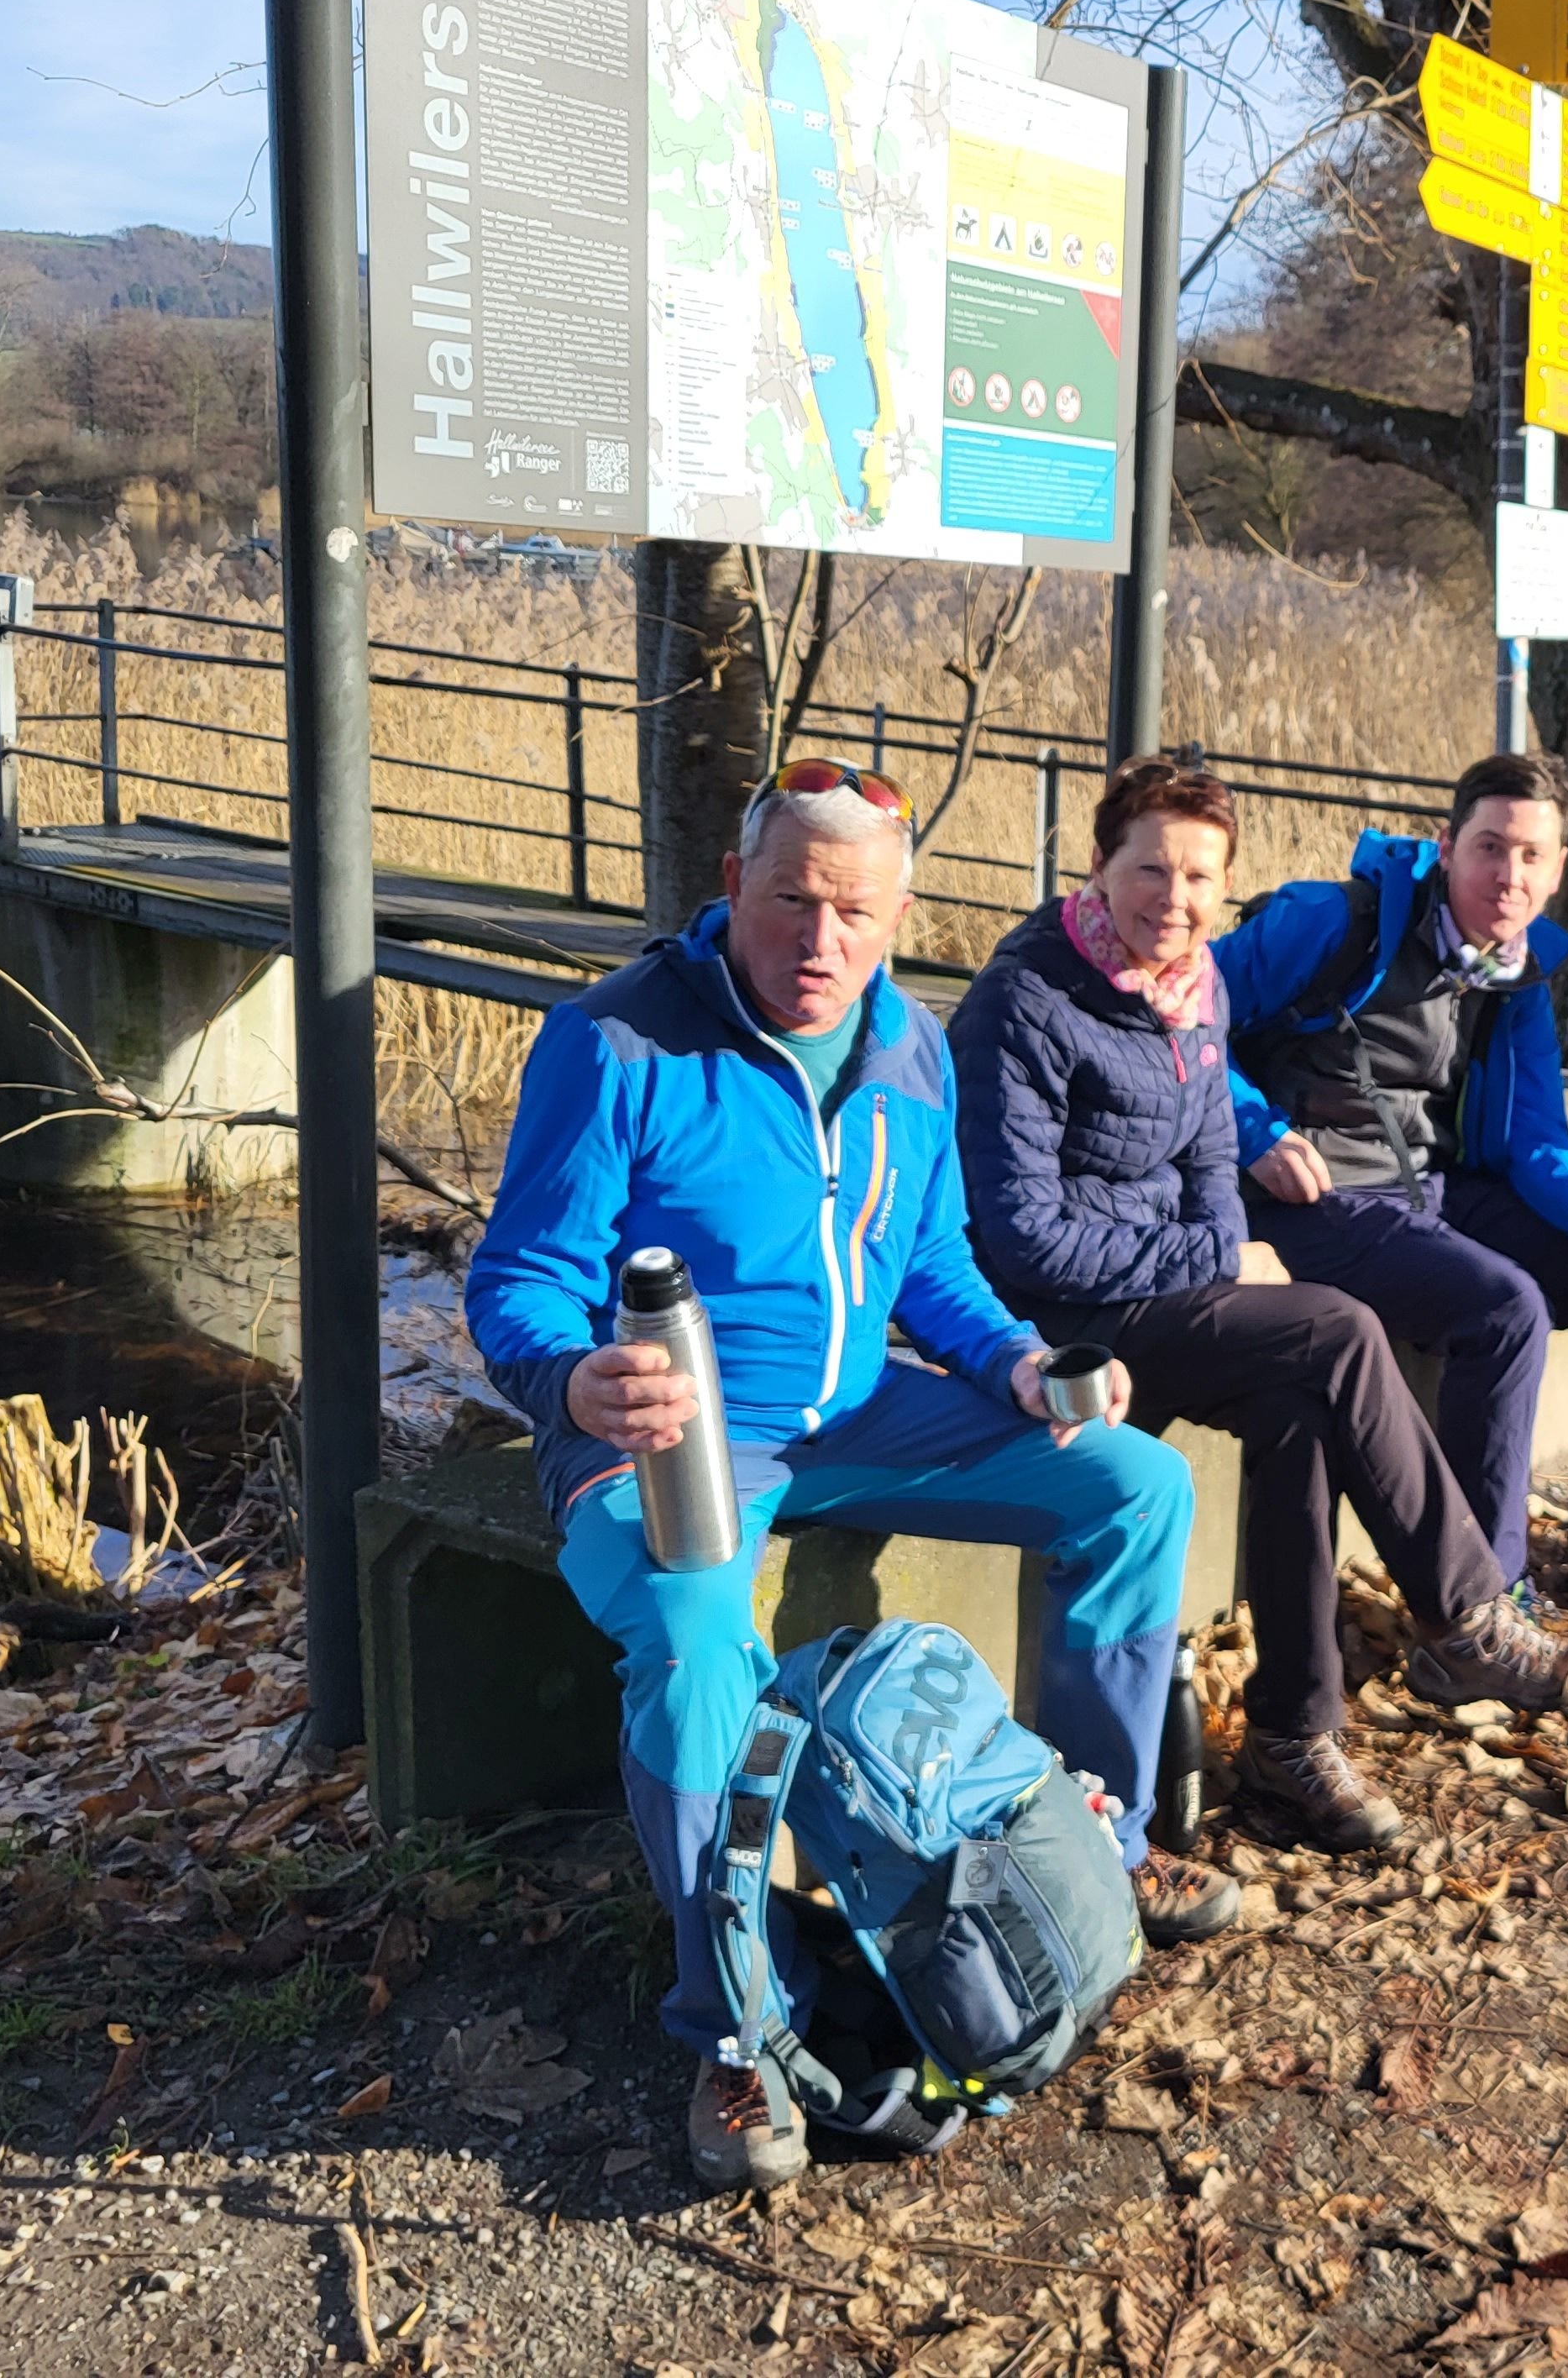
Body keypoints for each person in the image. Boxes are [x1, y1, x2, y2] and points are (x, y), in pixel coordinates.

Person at [464, 759, 1238, 2196]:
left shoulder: (910, 1049)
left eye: (857, 914)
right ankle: (738, 2026)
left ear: (896, 918)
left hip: (866, 1407)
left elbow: (930, 1258)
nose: (820, 944)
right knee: (701, 1656)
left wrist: (1014, 1362)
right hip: (672, 1435)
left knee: (1137, 1488)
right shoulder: (615, 1044)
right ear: (735, 889)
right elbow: (521, 1276)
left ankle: (1095, 1845)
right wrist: (574, 1381)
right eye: (791, 903)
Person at [948, 756, 1568, 1861]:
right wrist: (1219, 1252)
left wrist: (1216, 1242)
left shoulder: (1193, 987)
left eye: (1201, 876)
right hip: (1054, 1327)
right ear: (1100, 867)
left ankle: (1292, 1740)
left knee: (1299, 1410)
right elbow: (1024, 1239)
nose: (1175, 897)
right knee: (1338, 1329)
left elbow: (1217, 1160)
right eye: (1151, 869)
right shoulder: (1027, 997)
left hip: (1171, 1289)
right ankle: (1463, 1614)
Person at [1212, 751, 1568, 1630]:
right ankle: (1479, 1602)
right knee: (1501, 1308)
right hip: (1312, 1196)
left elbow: (1537, 1140)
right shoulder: (1332, 923)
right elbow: (1188, 1013)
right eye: (1490, 848)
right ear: (1446, 846)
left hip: (1429, 1192)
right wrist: (1253, 1129)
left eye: (1532, 856)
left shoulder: (1518, 974)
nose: (1509, 876)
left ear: (1560, 866)